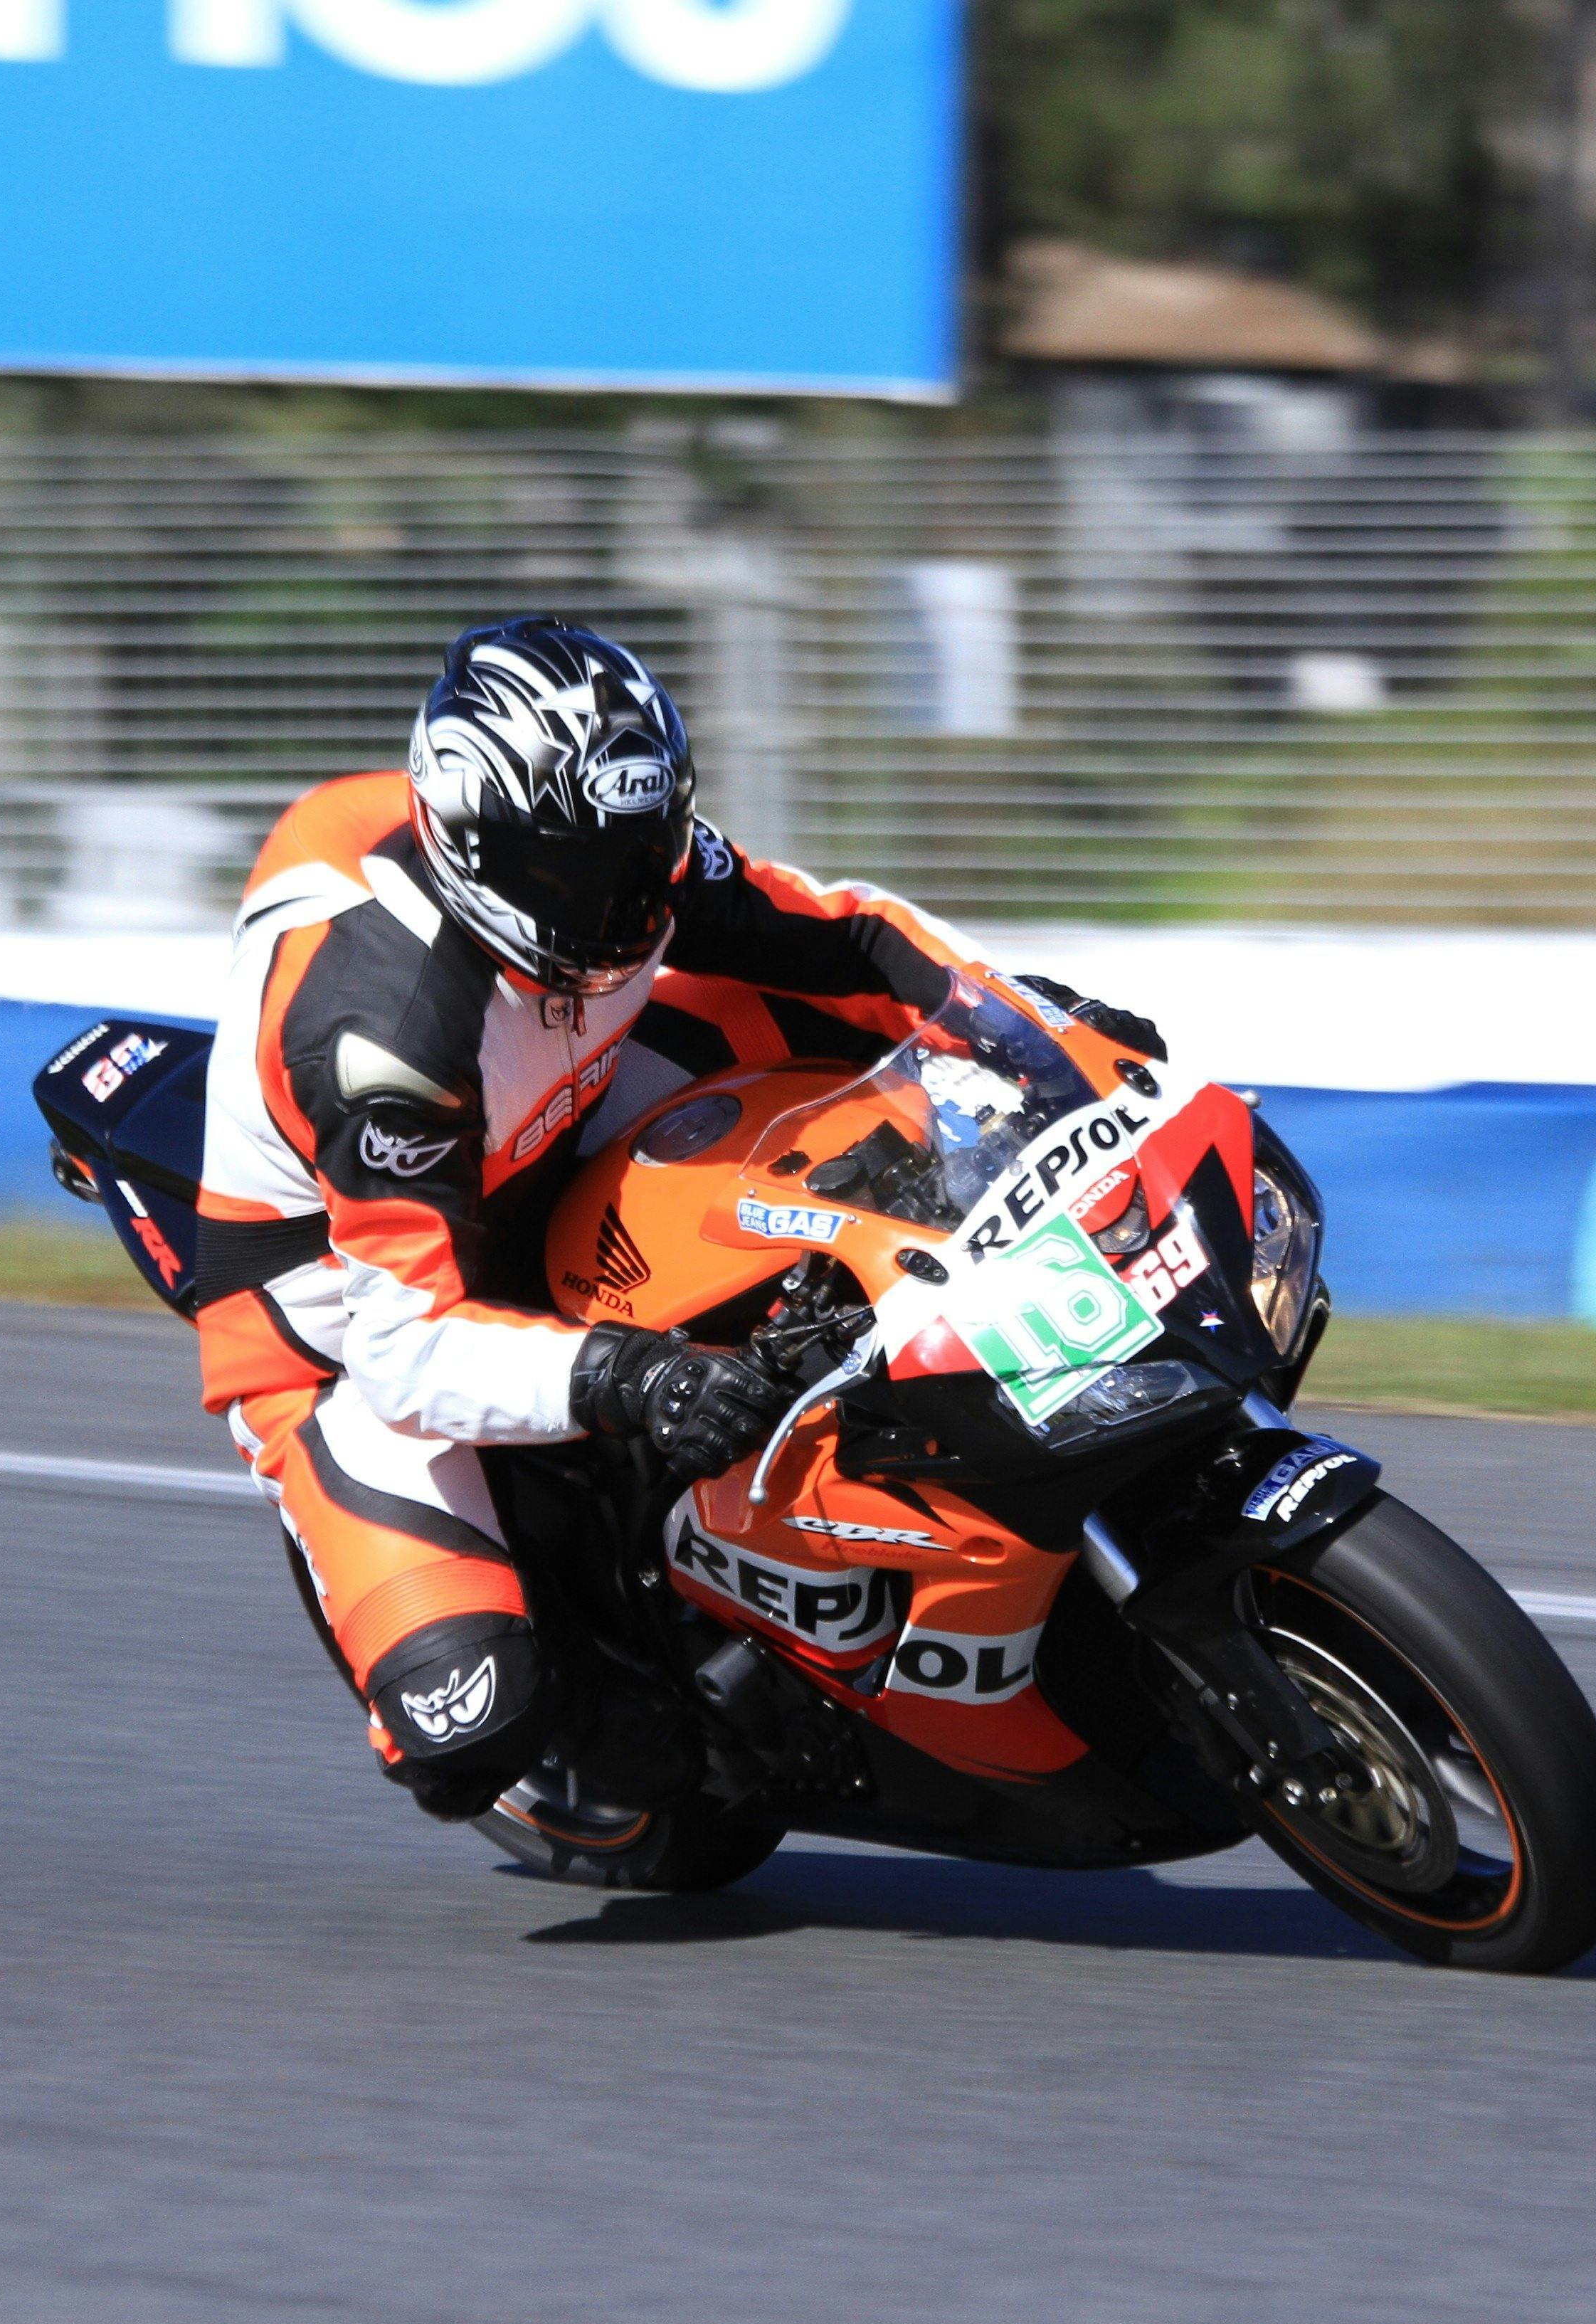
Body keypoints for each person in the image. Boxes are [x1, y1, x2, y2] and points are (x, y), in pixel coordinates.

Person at [193, 618, 1155, 1825]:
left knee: (840, 1043)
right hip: (339, 1315)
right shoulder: (384, 1038)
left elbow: (849, 931)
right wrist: (639, 1379)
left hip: (553, 1109)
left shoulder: (612, 852)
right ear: (478, 847)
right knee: (487, 1733)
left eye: (643, 859)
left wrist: (1046, 1031)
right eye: (574, 879)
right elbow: (406, 1349)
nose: (622, 902)